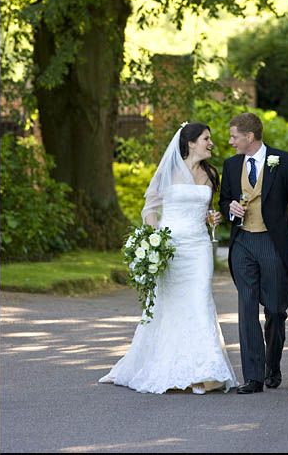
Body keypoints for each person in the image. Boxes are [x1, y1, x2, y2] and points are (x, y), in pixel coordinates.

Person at [99, 122, 239, 394]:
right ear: (190, 143)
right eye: (206, 139)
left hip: (199, 248)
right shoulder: (169, 171)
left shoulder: (210, 173)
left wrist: (213, 217)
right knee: (171, 305)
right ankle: (169, 367)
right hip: (171, 247)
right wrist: (153, 241)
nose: (211, 143)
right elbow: (150, 207)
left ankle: (203, 372)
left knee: (200, 302)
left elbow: (207, 210)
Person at [219, 112, 288, 394]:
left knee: (275, 310)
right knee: (247, 307)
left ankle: (272, 365)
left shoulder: (284, 161)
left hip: (272, 243)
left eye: (234, 136)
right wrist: (230, 208)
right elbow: (225, 197)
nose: (230, 142)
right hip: (242, 244)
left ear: (249, 137)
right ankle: (253, 376)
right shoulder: (231, 165)